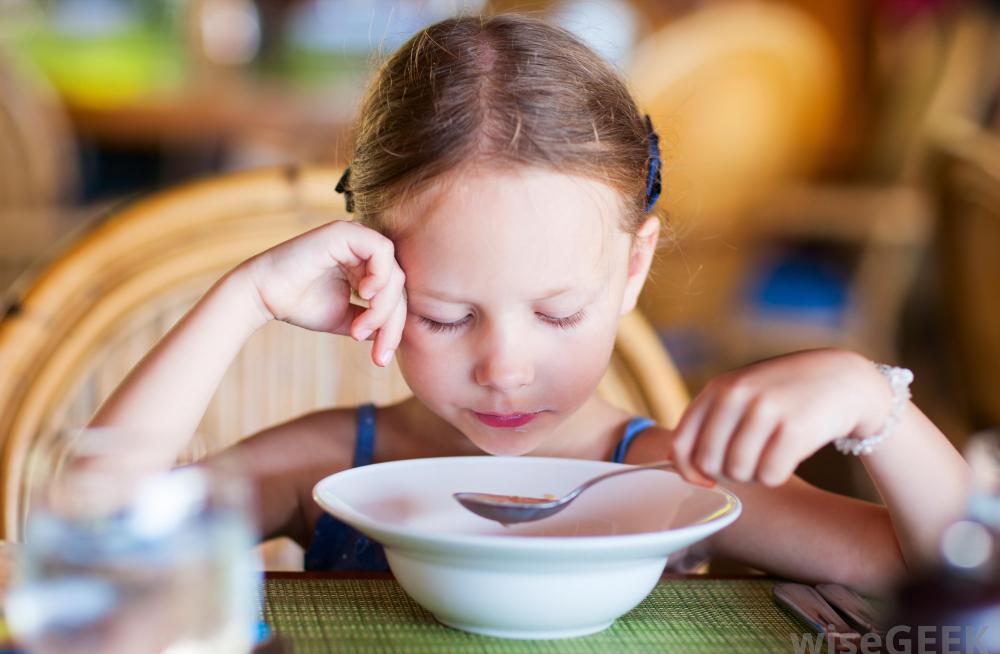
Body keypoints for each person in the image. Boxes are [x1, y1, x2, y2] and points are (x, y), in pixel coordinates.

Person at [90, 15, 969, 593]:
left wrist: (871, 400)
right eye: (443, 314)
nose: (505, 367)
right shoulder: (330, 466)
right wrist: (242, 298)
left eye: (556, 314)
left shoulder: (673, 481)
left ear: (633, 269)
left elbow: (957, 570)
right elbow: (95, 542)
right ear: (375, 275)